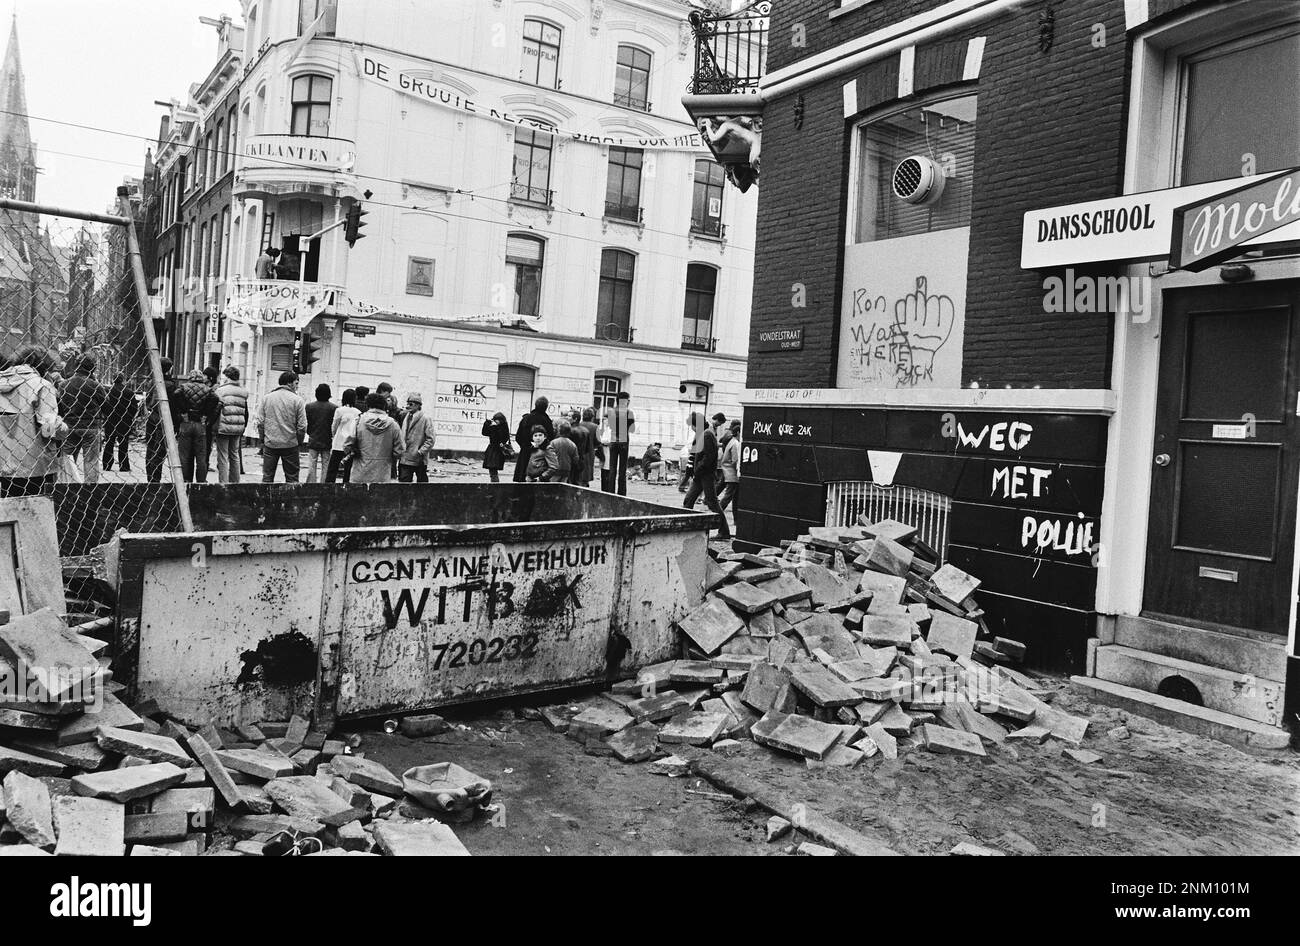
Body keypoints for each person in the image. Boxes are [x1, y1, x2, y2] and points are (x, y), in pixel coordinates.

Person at [0, 346, 68, 497]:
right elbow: (48, 429)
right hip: (35, 467)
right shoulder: (42, 386)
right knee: (36, 512)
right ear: (43, 366)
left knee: (6, 512)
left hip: (3, 464)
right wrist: (62, 426)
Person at [60, 353, 107, 485]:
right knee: (91, 461)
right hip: (91, 426)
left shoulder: (64, 384)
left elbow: (60, 406)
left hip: (70, 425)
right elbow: (106, 405)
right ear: (93, 368)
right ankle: (90, 490)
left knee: (67, 460)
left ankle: (67, 486)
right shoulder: (95, 386)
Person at [683, 410, 730, 541]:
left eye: (692, 426)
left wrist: (698, 469)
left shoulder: (707, 434)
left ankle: (724, 531)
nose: (691, 429)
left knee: (712, 503)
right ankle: (687, 527)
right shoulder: (704, 433)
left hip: (706, 475)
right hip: (700, 475)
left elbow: (709, 457)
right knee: (688, 500)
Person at [256, 370, 307, 483]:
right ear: (290, 383)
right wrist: (299, 441)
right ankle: (290, 500)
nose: (297, 386)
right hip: (290, 444)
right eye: (296, 383)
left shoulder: (266, 398)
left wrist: (262, 439)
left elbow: (260, 422)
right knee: (292, 479)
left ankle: (266, 500)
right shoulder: (297, 400)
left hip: (270, 443)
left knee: (267, 478)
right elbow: (302, 426)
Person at [347, 392, 404, 484]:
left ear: (368, 405)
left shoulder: (358, 421)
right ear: (384, 406)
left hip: (360, 472)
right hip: (383, 474)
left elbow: (347, 445)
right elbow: (400, 449)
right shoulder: (393, 424)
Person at [175, 369, 217, 483]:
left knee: (184, 455)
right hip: (200, 424)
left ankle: (185, 480)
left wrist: (184, 410)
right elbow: (215, 399)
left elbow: (176, 395)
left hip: (186, 422)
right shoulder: (207, 389)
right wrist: (205, 413)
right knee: (201, 456)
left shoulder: (183, 387)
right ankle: (201, 481)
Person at [145, 357, 181, 483]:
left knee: (150, 448)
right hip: (164, 417)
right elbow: (175, 404)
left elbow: (148, 399)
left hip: (152, 416)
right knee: (160, 449)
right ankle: (155, 479)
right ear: (169, 369)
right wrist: (177, 424)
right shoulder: (171, 385)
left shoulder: (152, 382)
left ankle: (150, 477)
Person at [213, 366, 250, 484]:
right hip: (238, 427)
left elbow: (216, 409)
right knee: (234, 455)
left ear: (227, 377)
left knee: (223, 455)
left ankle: (223, 483)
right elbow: (245, 411)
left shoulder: (220, 391)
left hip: (224, 426)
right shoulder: (244, 392)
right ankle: (235, 482)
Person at [512, 396, 554, 482]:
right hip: (541, 457)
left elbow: (518, 437)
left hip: (525, 454)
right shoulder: (547, 420)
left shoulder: (526, 418)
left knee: (522, 483)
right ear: (546, 407)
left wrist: (525, 446)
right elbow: (551, 437)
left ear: (535, 405)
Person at [101, 373, 137, 472]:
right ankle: (124, 465)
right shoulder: (129, 392)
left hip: (110, 419)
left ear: (113, 379)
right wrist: (130, 417)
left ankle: (107, 464)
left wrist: (106, 415)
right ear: (123, 380)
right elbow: (134, 407)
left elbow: (103, 405)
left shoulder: (108, 391)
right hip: (124, 420)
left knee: (109, 442)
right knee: (123, 444)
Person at [601, 391, 635, 496]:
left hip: (613, 441)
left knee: (612, 468)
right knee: (622, 468)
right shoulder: (629, 412)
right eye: (628, 400)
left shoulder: (611, 412)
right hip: (624, 441)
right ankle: (621, 492)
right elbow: (632, 428)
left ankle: (611, 491)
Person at [397, 394, 435, 482]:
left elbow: (431, 439)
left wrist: (421, 452)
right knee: (404, 484)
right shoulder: (405, 417)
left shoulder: (425, 418)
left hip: (419, 459)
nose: (407, 406)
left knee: (421, 486)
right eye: (407, 404)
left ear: (418, 405)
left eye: (411, 404)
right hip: (405, 458)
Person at [304, 383, 337, 483]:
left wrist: (310, 433)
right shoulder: (334, 408)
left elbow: (307, 423)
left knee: (312, 464)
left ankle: (311, 484)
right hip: (327, 440)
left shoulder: (309, 406)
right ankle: (324, 484)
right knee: (326, 464)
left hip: (313, 438)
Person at [326, 388, 360, 483]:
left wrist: (334, 436)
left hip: (338, 442)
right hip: (350, 444)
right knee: (348, 470)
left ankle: (329, 486)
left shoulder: (339, 410)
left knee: (333, 468)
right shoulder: (357, 412)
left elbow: (334, 426)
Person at [481, 412, 511, 483]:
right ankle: (494, 482)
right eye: (495, 420)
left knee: (493, 468)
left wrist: (495, 427)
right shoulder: (494, 426)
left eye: (497, 420)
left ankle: (495, 484)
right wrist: (486, 424)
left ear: (501, 420)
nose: (496, 422)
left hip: (498, 450)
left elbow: (503, 437)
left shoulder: (503, 426)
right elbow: (485, 433)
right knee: (492, 469)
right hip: (492, 448)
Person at [718, 420, 742, 512]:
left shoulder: (731, 441)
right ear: (738, 432)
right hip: (732, 473)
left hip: (728, 471)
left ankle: (717, 511)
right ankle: (717, 512)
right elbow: (735, 460)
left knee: (730, 495)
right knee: (728, 496)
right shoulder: (735, 444)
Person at [566, 410, 590, 486]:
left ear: (575, 418)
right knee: (577, 482)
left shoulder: (570, 430)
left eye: (569, 416)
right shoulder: (586, 431)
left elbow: (568, 447)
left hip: (571, 460)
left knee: (570, 482)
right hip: (581, 459)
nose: (567, 417)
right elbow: (587, 448)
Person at [579, 408, 602, 488]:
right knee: (587, 471)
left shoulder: (579, 425)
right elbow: (598, 441)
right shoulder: (595, 427)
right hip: (589, 452)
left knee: (579, 472)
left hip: (579, 451)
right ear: (592, 417)